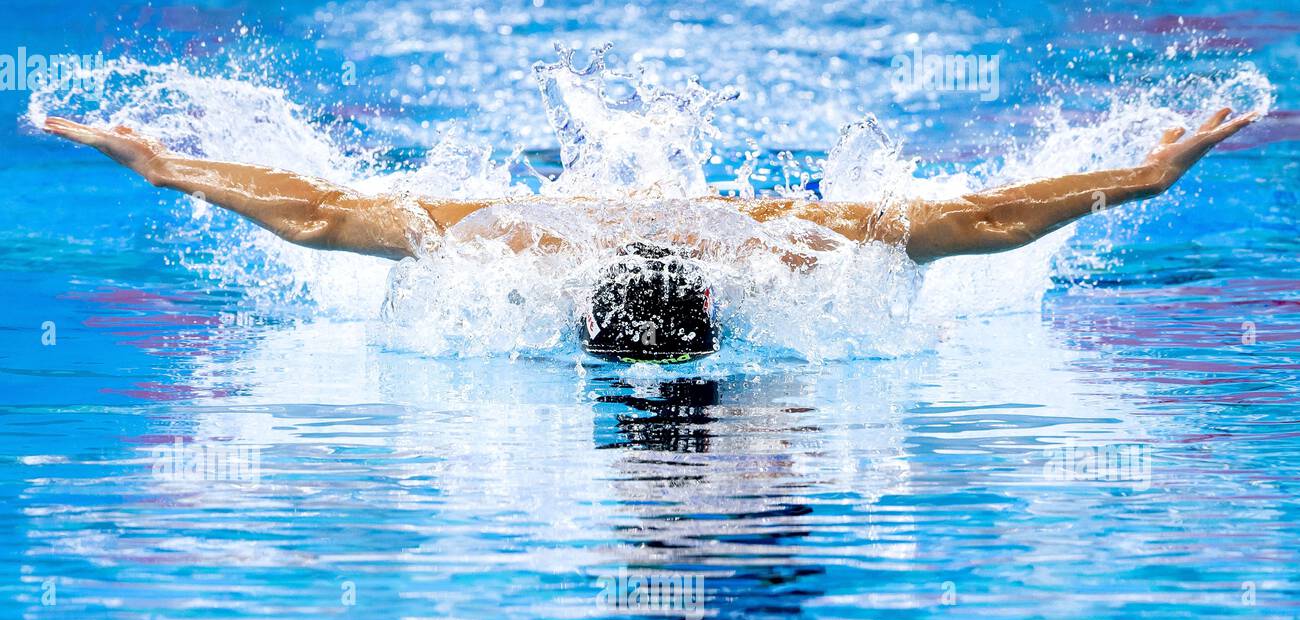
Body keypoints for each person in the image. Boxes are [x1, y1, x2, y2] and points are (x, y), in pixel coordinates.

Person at [41, 108, 1258, 363]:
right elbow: (987, 218)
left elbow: (313, 215)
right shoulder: (784, 248)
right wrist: (1143, 179)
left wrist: (166, 169)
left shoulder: (509, 245)